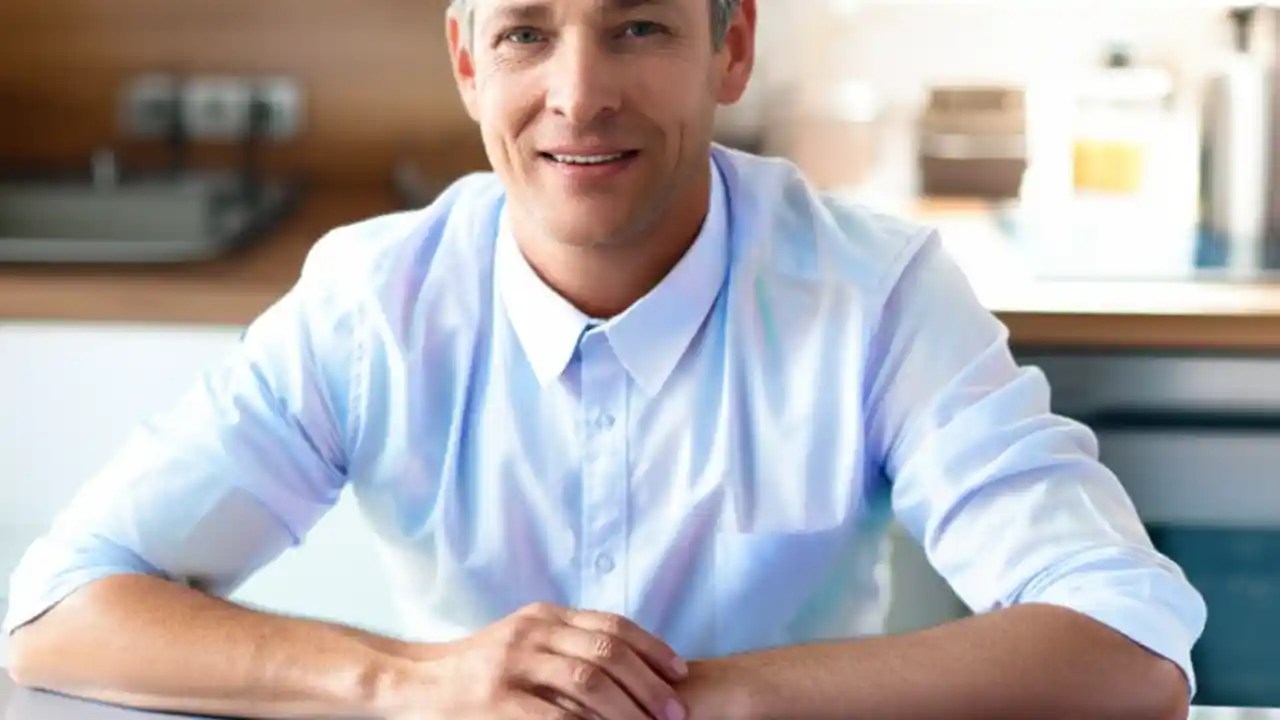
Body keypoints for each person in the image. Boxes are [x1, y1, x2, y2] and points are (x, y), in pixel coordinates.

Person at [5, 1, 1205, 718]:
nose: (577, 96)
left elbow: (1130, 648)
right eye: (528, 31)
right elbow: (59, 609)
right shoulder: (372, 303)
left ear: (729, 49)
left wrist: (676, 701)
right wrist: (412, 682)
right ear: (469, 60)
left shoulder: (874, 294)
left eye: (636, 26)